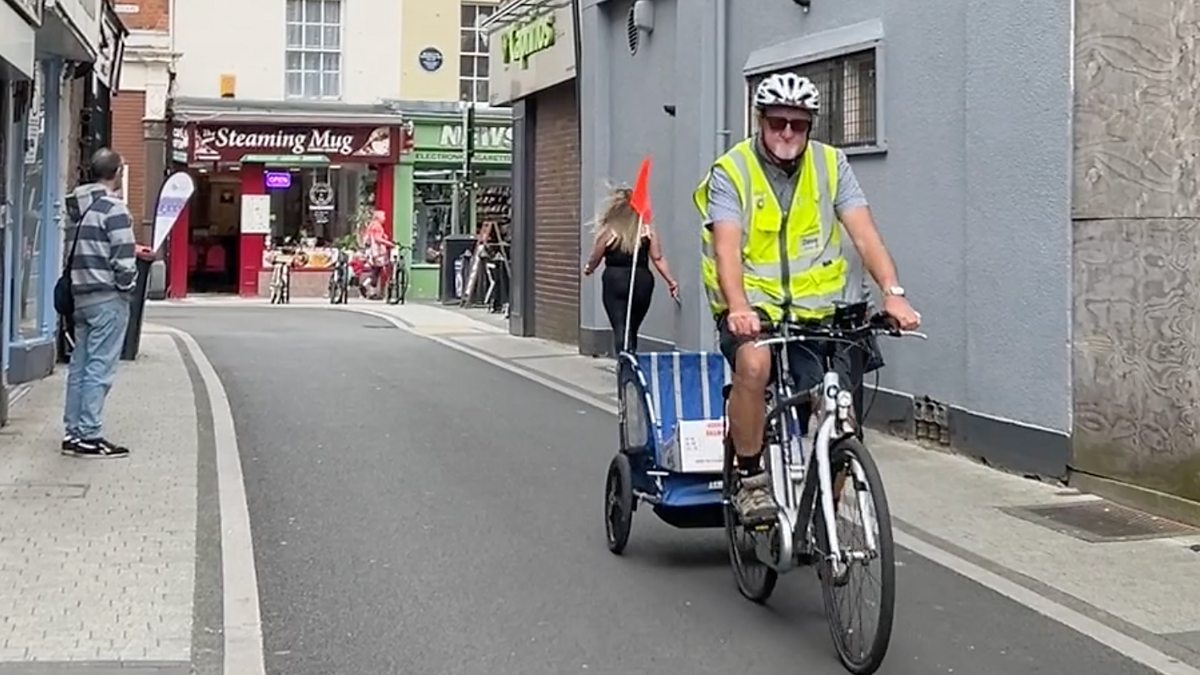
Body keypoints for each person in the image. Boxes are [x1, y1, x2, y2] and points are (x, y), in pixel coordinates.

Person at [697, 73, 921, 524]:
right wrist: (737, 306)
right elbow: (726, 248)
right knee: (755, 366)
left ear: (810, 126)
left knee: (840, 414)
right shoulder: (733, 170)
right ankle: (751, 475)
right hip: (754, 307)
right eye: (777, 122)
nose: (786, 133)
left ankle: (825, 514)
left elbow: (865, 234)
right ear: (759, 120)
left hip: (821, 312)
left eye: (798, 125)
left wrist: (894, 294)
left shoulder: (831, 165)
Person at [61, 149, 147, 458]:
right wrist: (127, 287)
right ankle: (91, 434)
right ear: (118, 173)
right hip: (107, 297)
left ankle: (73, 432)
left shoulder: (77, 207)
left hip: (81, 295)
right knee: (100, 366)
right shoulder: (114, 209)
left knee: (79, 366)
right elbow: (123, 257)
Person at [583, 187, 679, 354]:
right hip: (641, 280)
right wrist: (671, 281)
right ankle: (631, 353)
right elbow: (657, 258)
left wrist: (589, 269)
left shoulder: (609, 231)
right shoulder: (646, 230)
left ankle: (624, 359)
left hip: (615, 280)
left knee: (620, 324)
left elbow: (595, 256)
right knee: (633, 324)